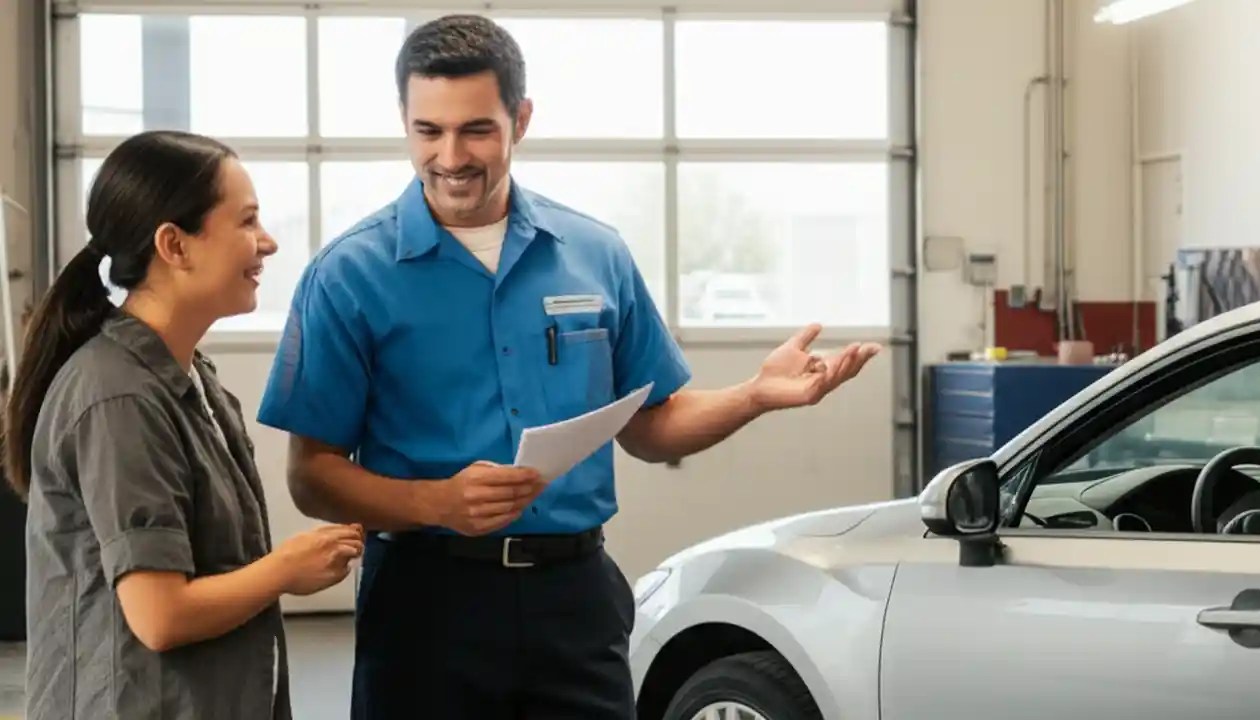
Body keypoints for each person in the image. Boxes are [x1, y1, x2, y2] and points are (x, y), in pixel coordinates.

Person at [257, 14, 879, 720]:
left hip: (574, 599)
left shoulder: (595, 253)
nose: (451, 156)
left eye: (477, 130)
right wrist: (436, 503)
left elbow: (652, 426)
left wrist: (757, 395)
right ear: (404, 121)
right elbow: (311, 475)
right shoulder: (348, 275)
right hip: (426, 603)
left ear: (520, 119)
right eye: (428, 131)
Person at [3, 130, 366, 720]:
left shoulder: (190, 377)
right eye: (246, 222)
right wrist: (284, 570)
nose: (267, 242)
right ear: (174, 244)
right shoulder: (117, 395)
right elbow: (160, 615)